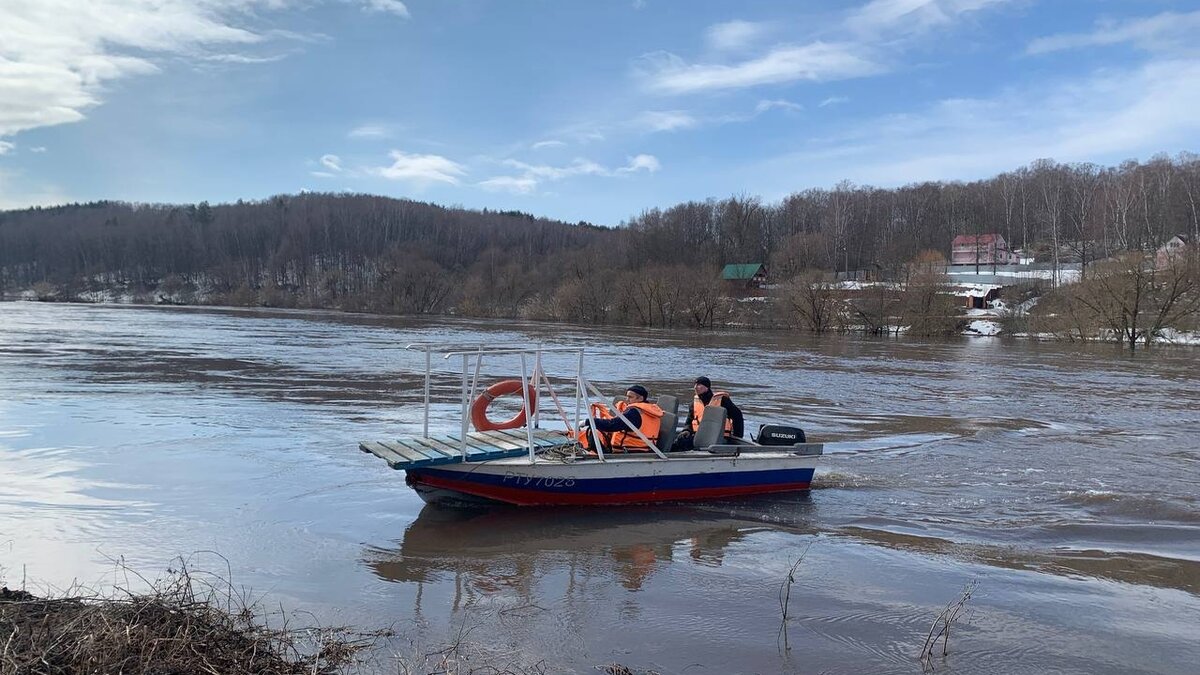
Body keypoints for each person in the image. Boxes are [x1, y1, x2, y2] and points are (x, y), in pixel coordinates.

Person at [577, 385, 664, 453]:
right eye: (627, 397)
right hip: (645, 448)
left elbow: (612, 425)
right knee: (595, 433)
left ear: (641, 398)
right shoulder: (649, 411)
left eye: (630, 397)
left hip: (630, 451)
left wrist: (587, 421)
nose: (627, 400)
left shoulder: (634, 413)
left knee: (591, 430)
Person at [671, 376, 744, 451]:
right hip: (699, 435)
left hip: (719, 438)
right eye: (695, 385)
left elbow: (737, 417)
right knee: (680, 441)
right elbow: (689, 421)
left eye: (699, 385)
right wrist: (686, 430)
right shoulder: (694, 403)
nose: (695, 387)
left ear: (707, 387)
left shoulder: (722, 401)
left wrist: (738, 438)